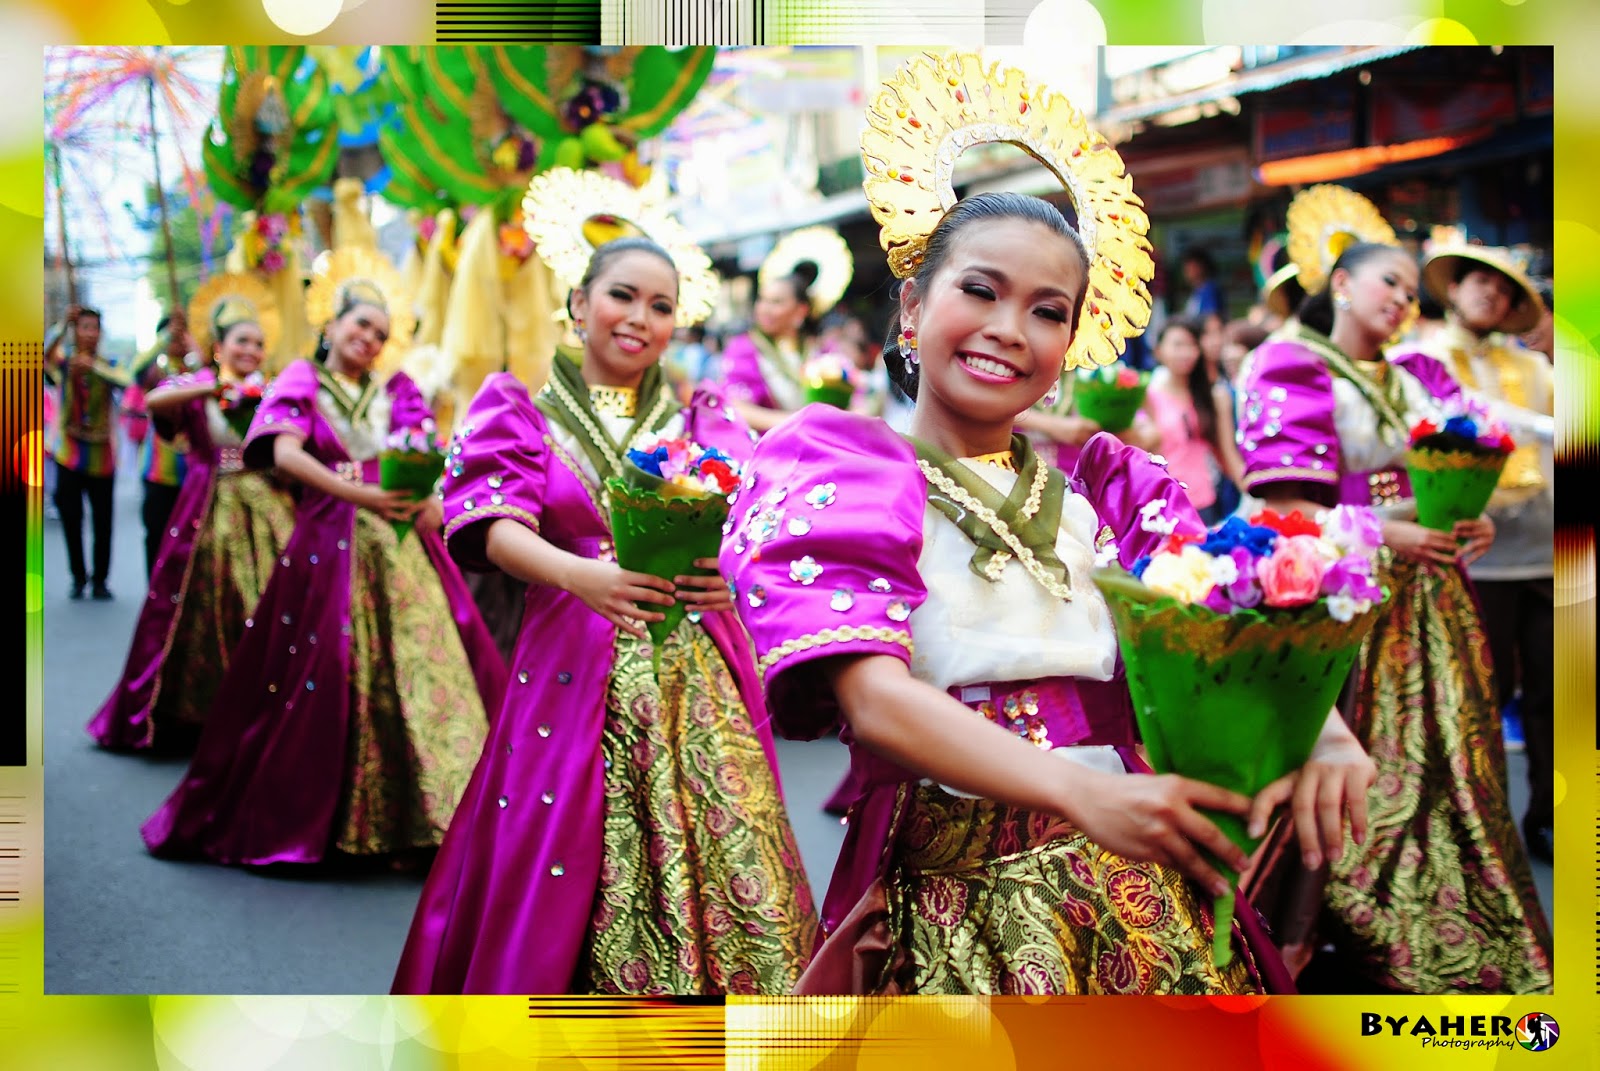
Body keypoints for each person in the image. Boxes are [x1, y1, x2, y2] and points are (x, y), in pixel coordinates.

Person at [723, 53, 1375, 995]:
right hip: (954, 875)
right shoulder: (842, 464)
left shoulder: (1112, 480)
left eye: (1047, 311)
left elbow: (1220, 625)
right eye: (979, 291)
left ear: (1070, 342)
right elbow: (873, 698)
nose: (1008, 329)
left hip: (1138, 858)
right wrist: (1081, 790)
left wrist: (1319, 727)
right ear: (912, 304)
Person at [393, 175, 818, 995]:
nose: (640, 318)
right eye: (623, 296)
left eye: (661, 306)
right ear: (579, 305)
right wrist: (578, 573)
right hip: (569, 658)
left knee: (724, 848)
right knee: (560, 853)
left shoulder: (700, 418)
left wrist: (728, 577)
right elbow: (485, 518)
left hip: (693, 667)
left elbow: (751, 526)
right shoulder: (517, 410)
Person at [1233, 184, 1552, 993]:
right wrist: (1386, 532)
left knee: (1449, 761)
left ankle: (1432, 922)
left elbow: (1468, 452)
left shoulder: (1420, 370)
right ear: (1340, 284)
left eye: (1413, 292)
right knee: (1333, 767)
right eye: (1389, 284)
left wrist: (1467, 518)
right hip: (1331, 594)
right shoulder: (1288, 362)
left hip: (1428, 600)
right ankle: (1295, 936)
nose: (1404, 301)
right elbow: (1281, 509)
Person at [142, 257, 506, 870]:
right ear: (331, 326)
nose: (368, 341)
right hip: (329, 534)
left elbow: (421, 450)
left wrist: (428, 498)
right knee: (326, 668)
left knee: (422, 666)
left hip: (395, 542)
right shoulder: (301, 380)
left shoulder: (397, 390)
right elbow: (283, 453)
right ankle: (337, 813)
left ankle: (430, 812)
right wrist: (357, 492)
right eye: (360, 327)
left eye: (379, 335)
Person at [88, 276, 298, 752]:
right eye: (241, 341)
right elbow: (155, 400)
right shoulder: (199, 385)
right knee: (199, 609)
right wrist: (216, 388)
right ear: (218, 346)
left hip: (267, 509)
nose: (252, 350)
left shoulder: (272, 389)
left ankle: (264, 712)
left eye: (259, 343)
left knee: (266, 605)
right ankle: (192, 711)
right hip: (208, 506)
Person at [1412, 243, 1554, 865]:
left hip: (1545, 549)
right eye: (1478, 283)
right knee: (1477, 695)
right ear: (1454, 290)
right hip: (1472, 551)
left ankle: (1549, 815)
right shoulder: (1423, 359)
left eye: (1504, 291)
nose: (1489, 295)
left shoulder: (1533, 366)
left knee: (1554, 688)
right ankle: (1478, 830)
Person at [723, 226, 854, 434]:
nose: (764, 309)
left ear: (800, 310)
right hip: (768, 450)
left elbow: (852, 397)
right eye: (762, 300)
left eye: (776, 302)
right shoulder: (744, 348)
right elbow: (736, 407)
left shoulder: (821, 351)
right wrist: (800, 422)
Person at [46, 305, 123, 600]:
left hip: (103, 456)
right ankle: (78, 577)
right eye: (83, 327)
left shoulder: (108, 364)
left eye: (94, 328)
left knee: (103, 522)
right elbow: (40, 356)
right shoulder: (64, 363)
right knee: (72, 519)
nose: (89, 333)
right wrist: (61, 325)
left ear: (100, 333)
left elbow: (128, 380)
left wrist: (93, 368)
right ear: (76, 331)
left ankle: (101, 580)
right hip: (69, 453)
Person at [132, 312, 197, 579]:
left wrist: (193, 344)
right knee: (156, 536)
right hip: (159, 471)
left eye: (182, 334)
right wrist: (166, 336)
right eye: (173, 335)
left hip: (195, 473)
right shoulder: (156, 372)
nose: (178, 340)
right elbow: (135, 371)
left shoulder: (201, 372)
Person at [1181, 249, 1224, 319]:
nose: (1186, 271)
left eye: (1190, 267)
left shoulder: (1209, 289)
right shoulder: (1198, 290)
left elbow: (1212, 318)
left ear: (1201, 267)